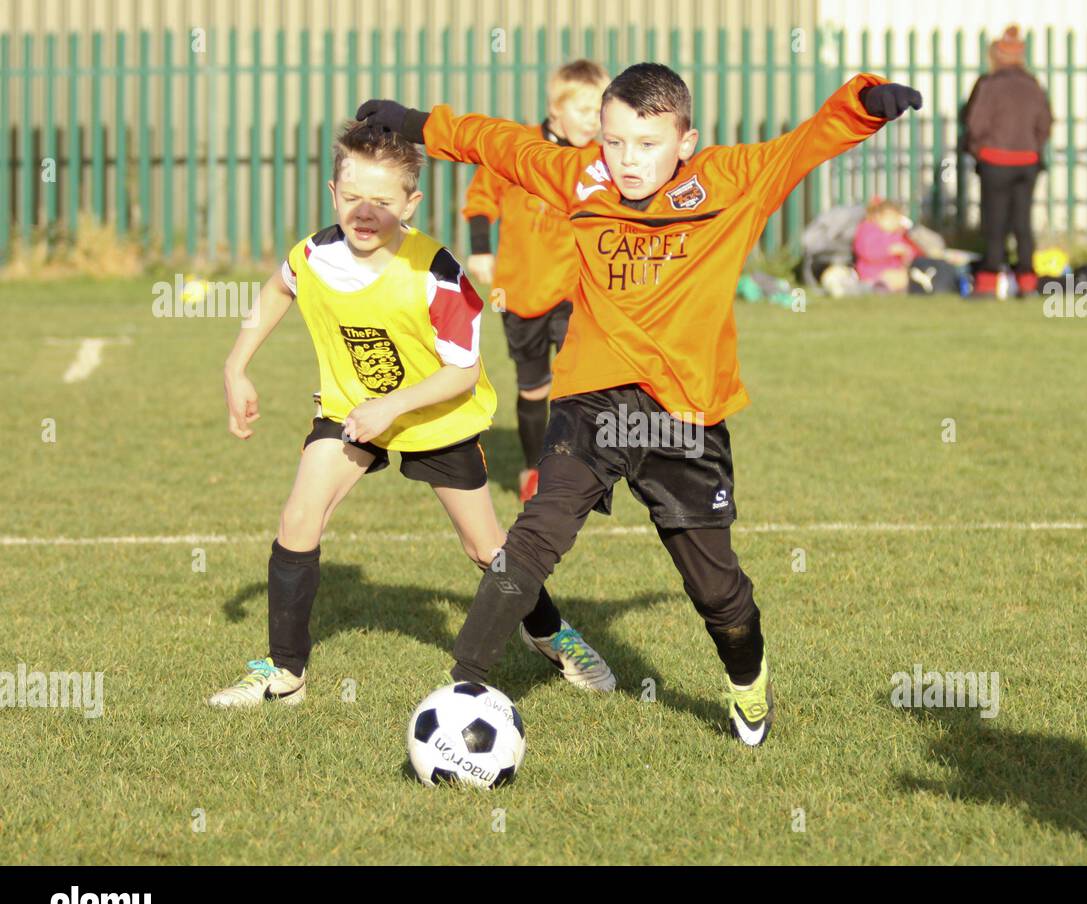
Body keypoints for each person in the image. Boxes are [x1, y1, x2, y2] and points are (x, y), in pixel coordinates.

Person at [356, 64, 921, 745]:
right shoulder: (580, 176)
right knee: (537, 531)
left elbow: (809, 140)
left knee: (716, 591)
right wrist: (412, 121)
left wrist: (864, 103)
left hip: (684, 414)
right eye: (614, 141)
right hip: (593, 395)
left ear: (687, 141)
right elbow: (492, 142)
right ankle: (463, 687)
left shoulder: (732, 180)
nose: (626, 160)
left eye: (646, 144)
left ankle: (748, 680)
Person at [209, 121, 614, 709]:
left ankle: (553, 633)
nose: (364, 212)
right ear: (332, 193)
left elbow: (463, 372)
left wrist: (392, 408)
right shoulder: (315, 254)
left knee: (485, 549)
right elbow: (278, 288)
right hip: (352, 410)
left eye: (382, 201)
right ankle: (284, 672)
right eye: (351, 198)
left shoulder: (438, 274)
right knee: (299, 518)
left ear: (411, 202)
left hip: (435, 416)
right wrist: (236, 365)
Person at [463, 60, 610, 503]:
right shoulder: (518, 146)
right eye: (586, 110)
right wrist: (481, 248)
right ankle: (532, 470)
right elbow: (480, 198)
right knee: (533, 387)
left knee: (579, 384)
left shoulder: (601, 160)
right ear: (556, 108)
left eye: (600, 111)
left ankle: (580, 469)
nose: (595, 121)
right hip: (521, 292)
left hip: (574, 294)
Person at [960, 25, 1053, 297]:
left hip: (995, 161)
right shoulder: (1033, 86)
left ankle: (988, 282)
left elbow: (975, 125)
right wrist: (1033, 148)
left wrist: (978, 150)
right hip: (1027, 161)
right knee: (1022, 223)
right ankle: (1027, 281)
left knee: (994, 222)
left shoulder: (989, 86)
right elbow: (1045, 124)